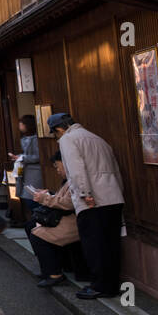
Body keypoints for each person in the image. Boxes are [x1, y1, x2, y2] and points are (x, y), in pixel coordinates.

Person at [49, 112, 125, 300]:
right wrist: (119, 191)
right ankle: (112, 285)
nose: (56, 137)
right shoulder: (97, 138)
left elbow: (76, 170)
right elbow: (115, 168)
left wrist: (85, 194)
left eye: (55, 133)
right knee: (111, 243)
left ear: (59, 129)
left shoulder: (68, 139)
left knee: (94, 244)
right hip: (113, 196)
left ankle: (100, 285)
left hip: (93, 200)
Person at [24, 151, 83, 288]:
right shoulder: (69, 179)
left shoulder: (75, 179)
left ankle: (55, 273)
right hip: (65, 218)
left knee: (38, 234)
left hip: (72, 221)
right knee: (30, 225)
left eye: (57, 166)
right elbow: (64, 199)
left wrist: (45, 198)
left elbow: (69, 203)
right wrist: (48, 193)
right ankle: (48, 268)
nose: (57, 170)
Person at [8, 114, 43, 224]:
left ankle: (38, 223)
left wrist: (22, 158)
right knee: (28, 198)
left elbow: (38, 156)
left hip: (35, 172)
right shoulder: (25, 138)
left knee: (32, 199)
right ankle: (35, 223)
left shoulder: (36, 139)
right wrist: (19, 157)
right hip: (26, 171)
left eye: (21, 123)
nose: (19, 125)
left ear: (27, 125)